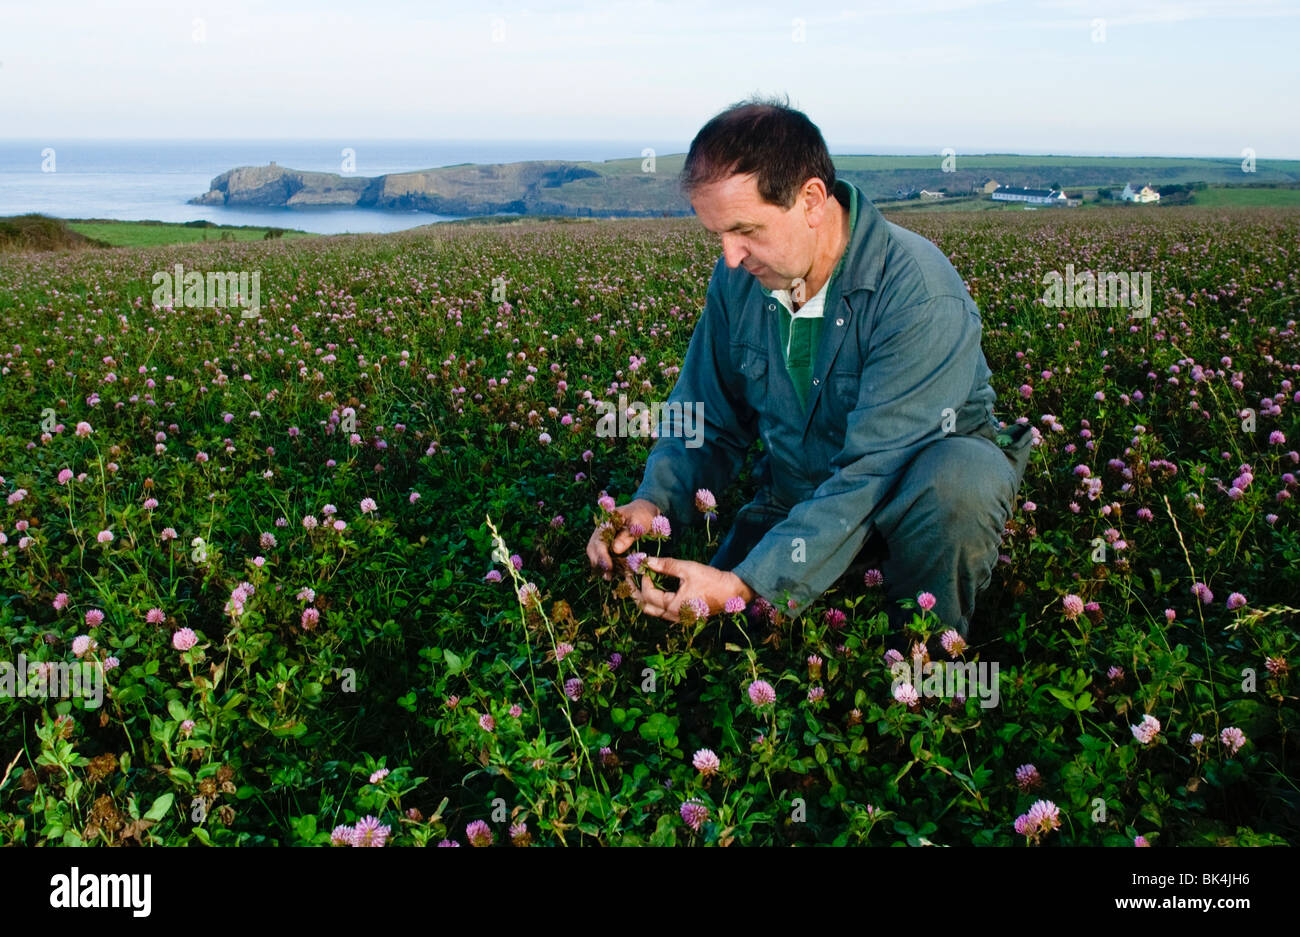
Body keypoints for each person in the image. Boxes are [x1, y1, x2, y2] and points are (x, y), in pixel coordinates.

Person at [585, 94, 1034, 642]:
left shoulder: (918, 295)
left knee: (961, 478)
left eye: (747, 230)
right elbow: (706, 412)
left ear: (812, 201)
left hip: (903, 503)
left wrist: (748, 584)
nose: (730, 256)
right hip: (796, 499)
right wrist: (653, 501)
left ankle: (924, 653)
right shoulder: (739, 280)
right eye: (718, 235)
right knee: (702, 638)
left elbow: (872, 474)